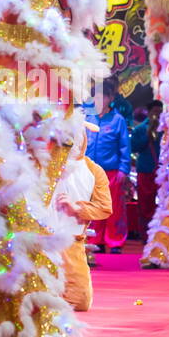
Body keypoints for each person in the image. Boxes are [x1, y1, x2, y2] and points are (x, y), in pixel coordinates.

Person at [54, 122, 113, 311]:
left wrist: (77, 208)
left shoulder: (94, 171)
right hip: (39, 240)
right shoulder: (43, 164)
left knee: (80, 300)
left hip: (71, 242)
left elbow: (104, 207)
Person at [85, 77, 131, 253]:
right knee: (92, 206)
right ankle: (94, 240)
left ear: (110, 99)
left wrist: (123, 169)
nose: (99, 101)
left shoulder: (117, 120)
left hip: (111, 171)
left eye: (103, 97)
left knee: (114, 209)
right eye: (96, 97)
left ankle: (115, 241)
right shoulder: (88, 118)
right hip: (90, 171)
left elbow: (125, 147)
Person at [132, 100, 163, 237]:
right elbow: (134, 147)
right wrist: (148, 134)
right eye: (154, 112)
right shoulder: (139, 129)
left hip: (162, 171)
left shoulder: (166, 128)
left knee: (163, 202)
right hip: (145, 169)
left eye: (159, 112)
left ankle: (160, 232)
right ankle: (145, 234)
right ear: (149, 113)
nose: (157, 115)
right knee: (145, 203)